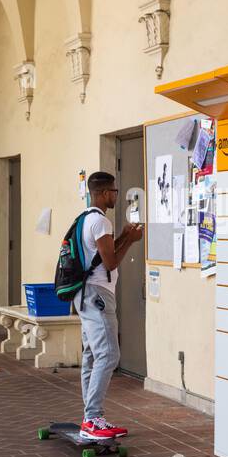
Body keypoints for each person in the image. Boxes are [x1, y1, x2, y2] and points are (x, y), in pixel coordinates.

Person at [77, 171, 143, 440]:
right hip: (98, 295)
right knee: (108, 355)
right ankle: (93, 418)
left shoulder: (85, 219)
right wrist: (132, 240)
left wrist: (125, 235)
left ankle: (89, 418)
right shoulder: (101, 221)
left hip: (85, 294)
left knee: (92, 356)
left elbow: (102, 254)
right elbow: (111, 262)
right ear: (104, 193)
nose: (116, 195)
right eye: (114, 191)